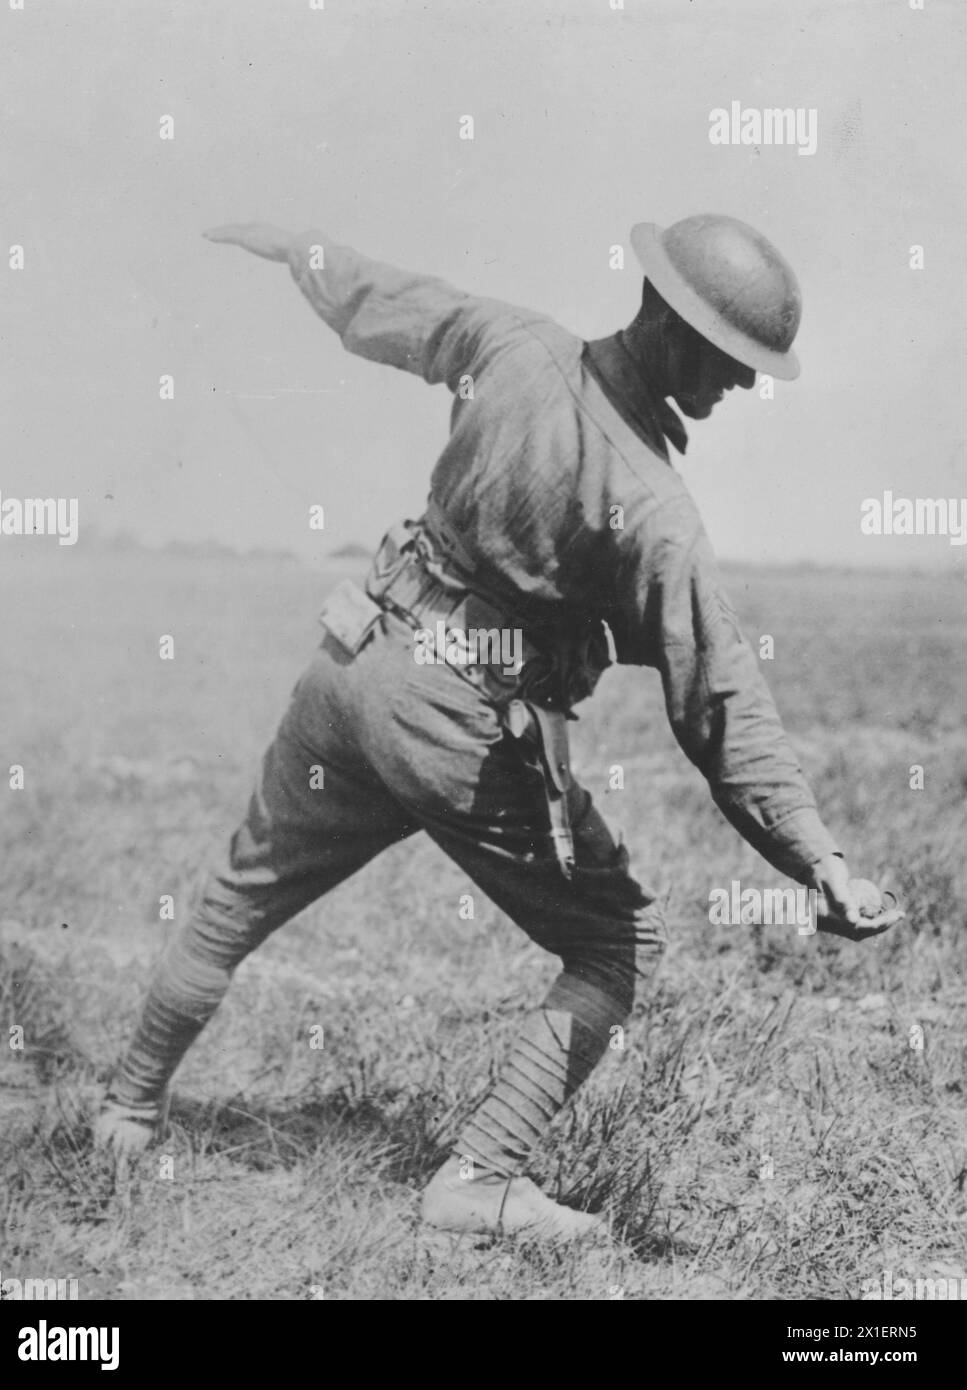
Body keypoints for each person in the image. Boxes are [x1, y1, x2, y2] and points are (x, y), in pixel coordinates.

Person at [94, 214, 899, 1239]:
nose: (740, 385)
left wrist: (287, 239)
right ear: (664, 320)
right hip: (450, 724)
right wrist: (817, 856)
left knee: (238, 889)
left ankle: (124, 1108)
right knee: (616, 941)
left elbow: (375, 298)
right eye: (729, 357)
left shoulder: (513, 343)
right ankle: (478, 1178)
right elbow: (722, 700)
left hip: (355, 664)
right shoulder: (653, 505)